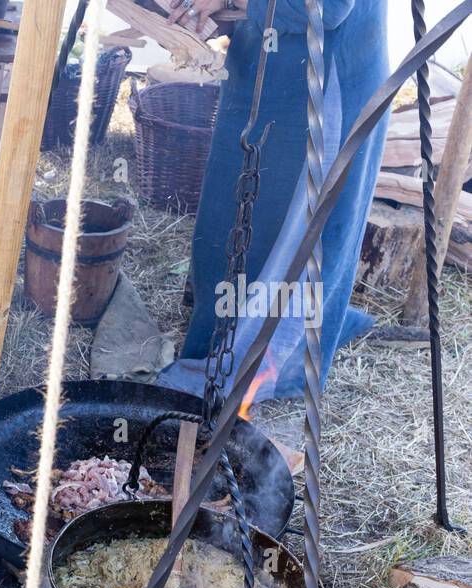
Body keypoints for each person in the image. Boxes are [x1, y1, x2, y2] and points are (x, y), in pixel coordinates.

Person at [155, 0, 388, 404]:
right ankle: (217, 347)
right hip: (261, 62)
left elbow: (329, 9)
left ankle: (261, 369)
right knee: (225, 221)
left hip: (323, 73)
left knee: (290, 241)